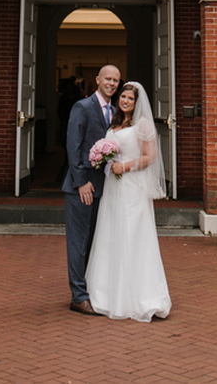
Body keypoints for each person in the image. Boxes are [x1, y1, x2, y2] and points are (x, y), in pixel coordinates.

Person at [86, 81, 171, 321]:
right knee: (111, 234)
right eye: (122, 97)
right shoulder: (115, 121)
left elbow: (150, 157)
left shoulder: (142, 124)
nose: (125, 101)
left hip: (132, 187)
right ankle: (107, 294)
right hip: (114, 187)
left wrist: (124, 166)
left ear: (137, 102)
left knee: (133, 235)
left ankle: (139, 296)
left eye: (130, 98)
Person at [62, 63, 121, 315]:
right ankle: (78, 296)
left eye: (116, 81)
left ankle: (90, 290)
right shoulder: (82, 107)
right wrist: (80, 181)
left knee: (95, 242)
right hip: (82, 187)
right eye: (107, 78)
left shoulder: (116, 111)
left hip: (103, 188)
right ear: (97, 79)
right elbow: (73, 146)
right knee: (78, 243)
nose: (111, 83)